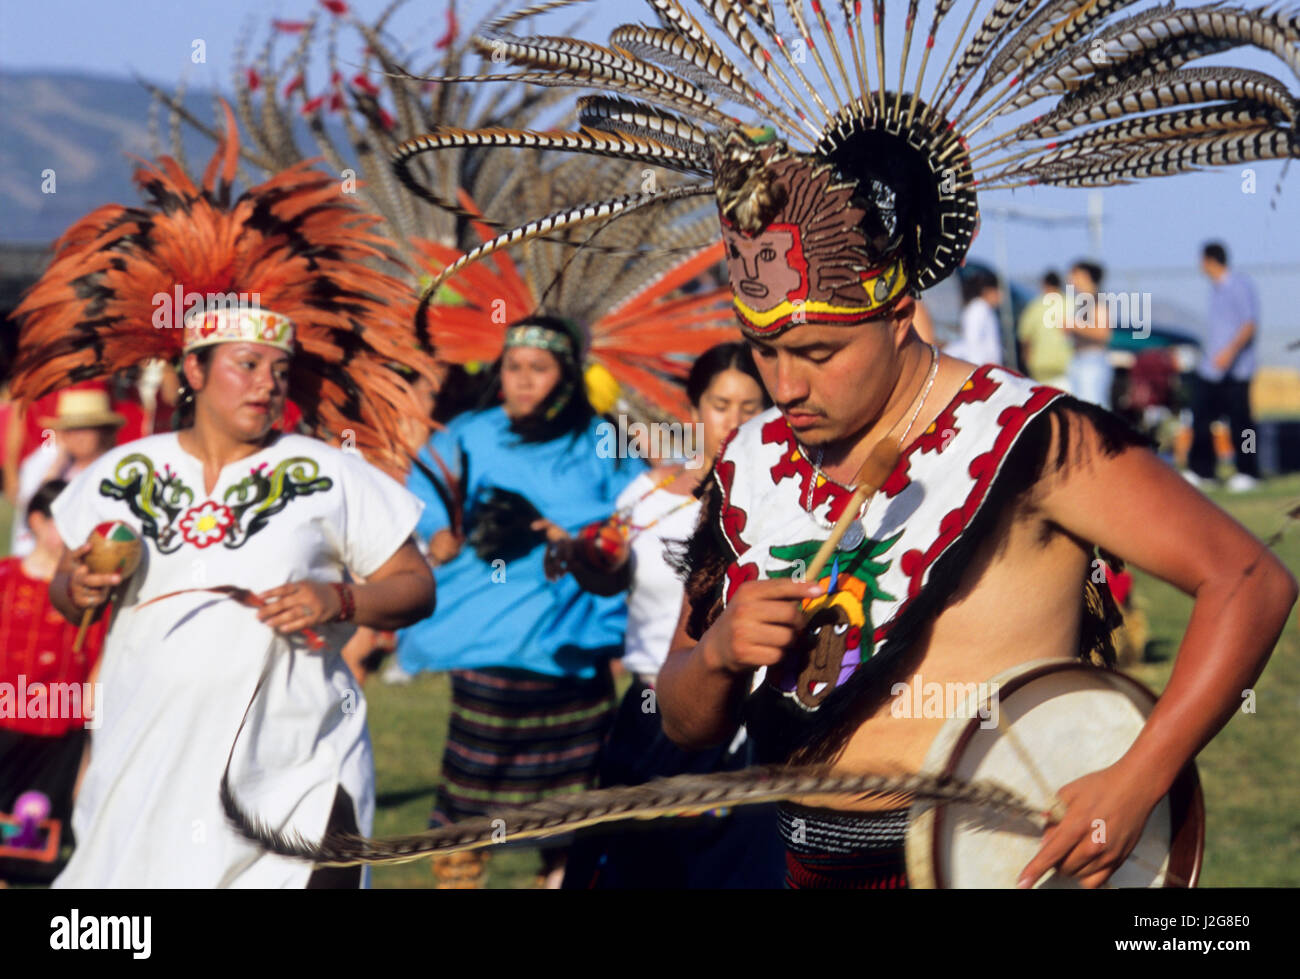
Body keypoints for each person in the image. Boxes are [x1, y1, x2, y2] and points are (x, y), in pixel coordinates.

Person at [386, 0, 1300, 889]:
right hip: (801, 861)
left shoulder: (1031, 437)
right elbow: (691, 723)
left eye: (819, 352)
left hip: (1005, 858)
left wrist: (1139, 775)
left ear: (901, 315)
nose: (786, 384)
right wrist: (715, 656)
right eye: (765, 352)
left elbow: (1248, 580)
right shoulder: (752, 462)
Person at [7, 112, 440, 887]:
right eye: (246, 365)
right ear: (194, 374)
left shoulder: (328, 472)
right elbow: (68, 596)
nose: (268, 382)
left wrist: (338, 594)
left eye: (278, 368)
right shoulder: (121, 472)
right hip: (148, 762)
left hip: (296, 770)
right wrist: (85, 583)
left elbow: (415, 586)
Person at [398, 315, 646, 889]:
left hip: (570, 647)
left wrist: (576, 537)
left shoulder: (600, 442)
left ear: (566, 378)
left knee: (572, 818)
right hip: (489, 645)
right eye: (514, 367)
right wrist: (438, 532)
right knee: (467, 808)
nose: (524, 380)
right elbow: (426, 487)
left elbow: (637, 513)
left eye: (540, 369)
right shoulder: (469, 434)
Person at [558, 343, 786, 888]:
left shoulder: (782, 503)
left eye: (751, 406)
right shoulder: (650, 494)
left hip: (751, 725)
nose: (734, 420)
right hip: (651, 715)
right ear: (693, 409)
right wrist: (586, 558)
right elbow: (605, 575)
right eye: (721, 404)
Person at [0, 479, 107, 884]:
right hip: (6, 720)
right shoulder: (6, 577)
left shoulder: (88, 594)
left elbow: (99, 655)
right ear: (37, 521)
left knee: (34, 825)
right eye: (66, 523)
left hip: (58, 725)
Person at [9, 389, 123, 558]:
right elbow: (32, 511)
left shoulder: (117, 470)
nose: (78, 437)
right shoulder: (42, 463)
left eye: (86, 429)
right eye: (71, 430)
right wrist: (57, 463)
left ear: (103, 431)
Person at [1187, 242, 1262, 491]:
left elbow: (1249, 324)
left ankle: (1248, 472)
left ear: (1210, 260)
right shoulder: (1215, 290)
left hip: (1236, 370)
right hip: (1211, 370)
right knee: (1200, 418)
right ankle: (1202, 470)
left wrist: (1229, 353)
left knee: (1242, 425)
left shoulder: (1239, 285)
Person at [1066, 261, 1114, 409]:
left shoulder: (1096, 299)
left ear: (1086, 276)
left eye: (1074, 274)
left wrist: (1074, 326)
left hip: (1091, 362)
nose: (1070, 279)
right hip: (1080, 361)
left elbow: (1103, 332)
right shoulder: (1084, 301)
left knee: (1093, 411)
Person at [1017, 271, 1071, 388]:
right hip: (1066, 364)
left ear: (1044, 284)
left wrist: (1026, 360)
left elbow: (1025, 337)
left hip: (1040, 366)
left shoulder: (1035, 306)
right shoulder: (1071, 304)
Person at [947, 269, 1004, 367]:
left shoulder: (985, 309)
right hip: (981, 366)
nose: (1001, 295)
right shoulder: (978, 309)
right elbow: (972, 342)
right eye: (998, 290)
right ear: (987, 291)